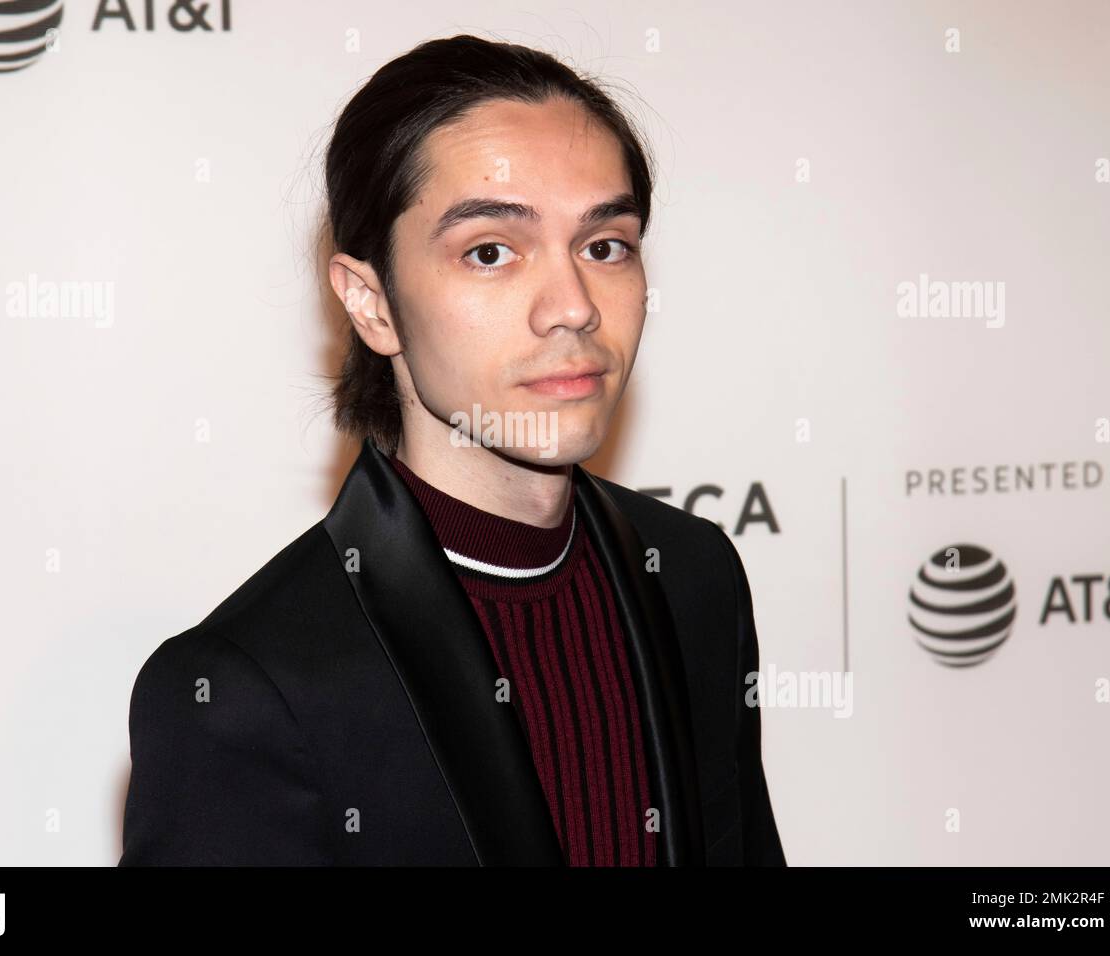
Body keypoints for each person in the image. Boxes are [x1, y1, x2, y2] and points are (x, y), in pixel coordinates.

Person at [119, 33, 785, 866]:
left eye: (604, 245)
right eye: (491, 252)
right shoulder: (249, 688)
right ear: (371, 304)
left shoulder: (694, 576)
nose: (572, 307)